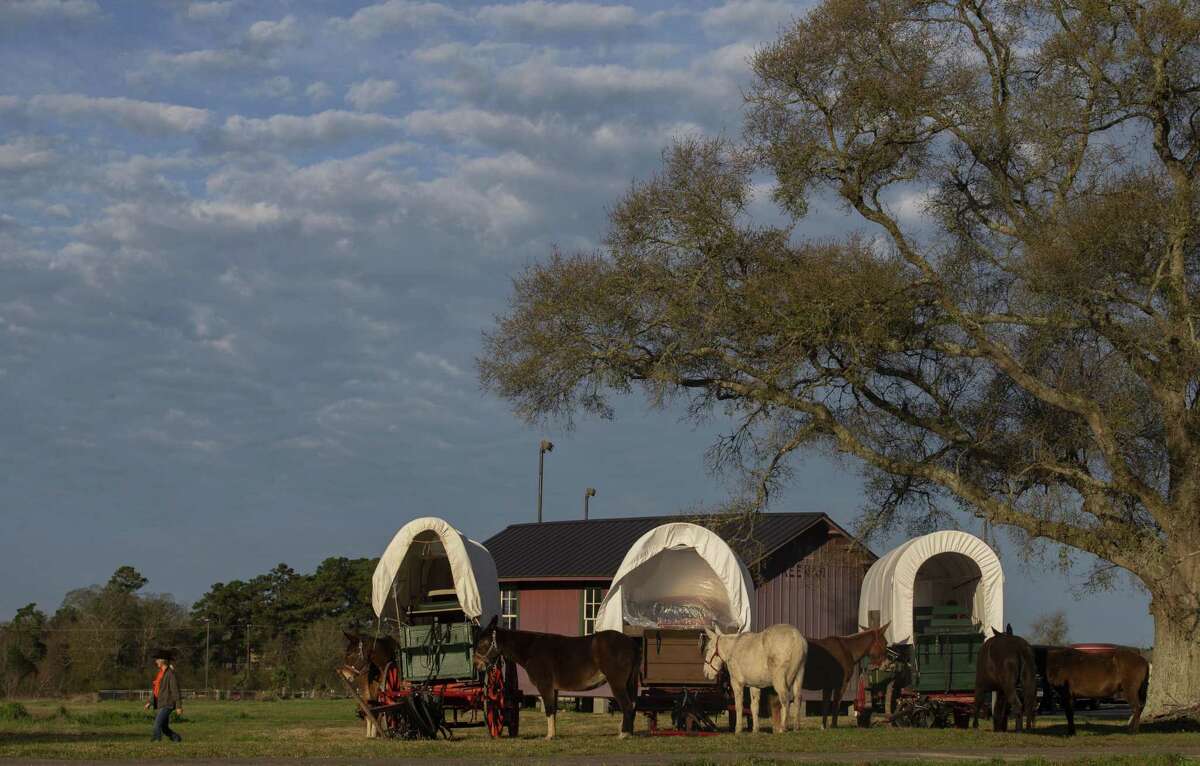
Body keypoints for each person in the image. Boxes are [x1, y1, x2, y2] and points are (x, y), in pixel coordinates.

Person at [145, 648, 183, 743]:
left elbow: (175, 691)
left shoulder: (170, 674)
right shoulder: (160, 674)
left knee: (157, 724)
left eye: (157, 659)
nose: (156, 661)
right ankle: (176, 738)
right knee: (164, 727)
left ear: (162, 661)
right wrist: (150, 702)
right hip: (161, 703)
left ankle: (156, 740)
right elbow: (157, 690)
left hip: (168, 704)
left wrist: (178, 706)